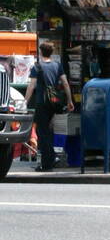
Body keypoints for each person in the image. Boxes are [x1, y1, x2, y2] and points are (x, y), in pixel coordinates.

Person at [24, 41, 74, 172]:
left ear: (40, 52)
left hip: (42, 102)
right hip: (55, 101)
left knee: (43, 132)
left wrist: (25, 101)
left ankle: (47, 163)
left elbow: (31, 86)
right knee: (51, 130)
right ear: (52, 52)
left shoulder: (37, 66)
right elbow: (65, 83)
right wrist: (69, 100)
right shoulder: (57, 65)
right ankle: (52, 157)